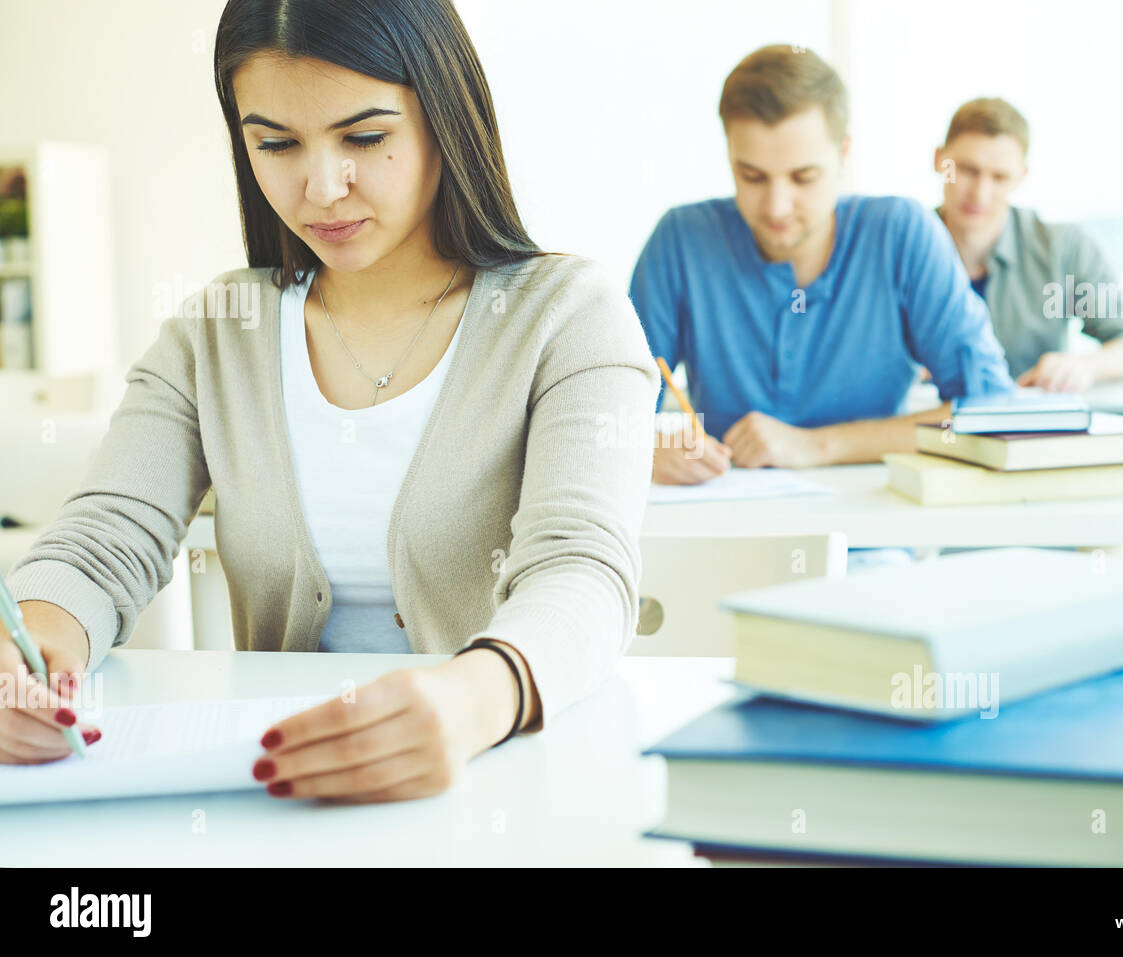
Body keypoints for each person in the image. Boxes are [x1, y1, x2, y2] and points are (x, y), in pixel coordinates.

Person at [0, 0, 658, 803]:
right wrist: (29, 654)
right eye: (275, 144)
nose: (321, 187)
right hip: (282, 794)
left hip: (500, 782)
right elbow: (101, 544)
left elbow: (582, 573)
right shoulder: (217, 330)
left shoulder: (571, 314)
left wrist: (471, 697)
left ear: (445, 117)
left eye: (364, 138)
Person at [630, 45, 1014, 490]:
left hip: (869, 539)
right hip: (724, 532)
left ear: (844, 152)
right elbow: (603, 417)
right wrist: (644, 447)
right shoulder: (681, 240)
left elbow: (992, 411)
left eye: (803, 177)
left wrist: (817, 445)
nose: (776, 207)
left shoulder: (900, 234)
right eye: (752, 176)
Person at [934, 97, 1123, 392]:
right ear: (939, 160)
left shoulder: (1063, 249)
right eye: (967, 170)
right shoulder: (897, 247)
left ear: (1021, 177)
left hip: (1032, 435)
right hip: (919, 430)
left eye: (999, 177)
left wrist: (1084, 366)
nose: (980, 192)